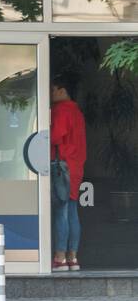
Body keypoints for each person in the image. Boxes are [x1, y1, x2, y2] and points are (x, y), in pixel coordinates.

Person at [50, 76, 87, 273]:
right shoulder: (77, 112)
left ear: (62, 91)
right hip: (76, 166)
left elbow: (55, 136)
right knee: (72, 211)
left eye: (53, 90)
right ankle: (73, 257)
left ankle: (59, 257)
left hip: (61, 166)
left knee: (61, 212)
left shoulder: (61, 110)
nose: (50, 94)